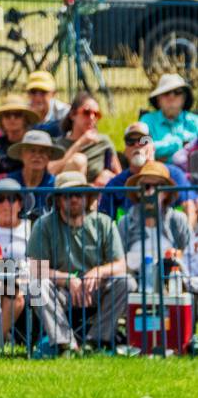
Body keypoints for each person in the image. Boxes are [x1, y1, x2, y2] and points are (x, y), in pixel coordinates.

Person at [27, 170, 131, 354]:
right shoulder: (43, 225)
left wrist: (99, 272)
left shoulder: (104, 222)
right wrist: (67, 279)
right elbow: (34, 267)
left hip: (96, 288)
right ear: (58, 200)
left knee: (126, 282)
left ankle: (95, 341)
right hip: (61, 291)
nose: (73, 199)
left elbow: (120, 265)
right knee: (36, 285)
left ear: (87, 197)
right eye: (67, 195)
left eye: (78, 194)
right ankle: (66, 344)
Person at [99, 122, 197, 226]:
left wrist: (186, 240)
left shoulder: (174, 174)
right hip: (130, 240)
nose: (137, 144)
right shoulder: (114, 185)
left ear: (153, 147)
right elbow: (104, 223)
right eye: (130, 141)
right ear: (125, 151)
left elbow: (190, 208)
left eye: (143, 140)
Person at [117, 162, 191, 294]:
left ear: (166, 193)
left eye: (158, 186)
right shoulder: (125, 223)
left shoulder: (177, 220)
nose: (152, 191)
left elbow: (189, 255)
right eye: (146, 186)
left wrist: (177, 255)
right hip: (137, 287)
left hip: (172, 286)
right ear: (139, 192)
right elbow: (118, 260)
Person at [0, 178, 33, 343]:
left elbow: (38, 262)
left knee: (15, 293)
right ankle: (4, 336)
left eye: (11, 199)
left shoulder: (31, 227)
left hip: (26, 280)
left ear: (20, 204)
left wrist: (23, 277)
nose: (5, 204)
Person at [50, 92, 119, 186]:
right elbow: (51, 172)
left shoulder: (103, 142)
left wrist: (109, 176)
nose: (92, 118)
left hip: (95, 195)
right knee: (78, 161)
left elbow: (119, 176)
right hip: (66, 196)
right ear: (72, 115)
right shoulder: (59, 144)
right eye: (86, 112)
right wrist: (79, 143)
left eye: (96, 114)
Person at [141, 74, 198, 164]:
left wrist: (160, 152)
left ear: (184, 98)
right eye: (166, 93)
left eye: (177, 92)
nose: (172, 96)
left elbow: (153, 149)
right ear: (158, 99)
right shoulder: (147, 121)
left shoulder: (195, 121)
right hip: (158, 174)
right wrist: (180, 144)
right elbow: (142, 148)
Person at [7, 129, 60, 216]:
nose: (37, 156)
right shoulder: (10, 183)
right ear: (22, 154)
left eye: (42, 151)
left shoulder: (55, 185)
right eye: (32, 151)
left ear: (49, 156)